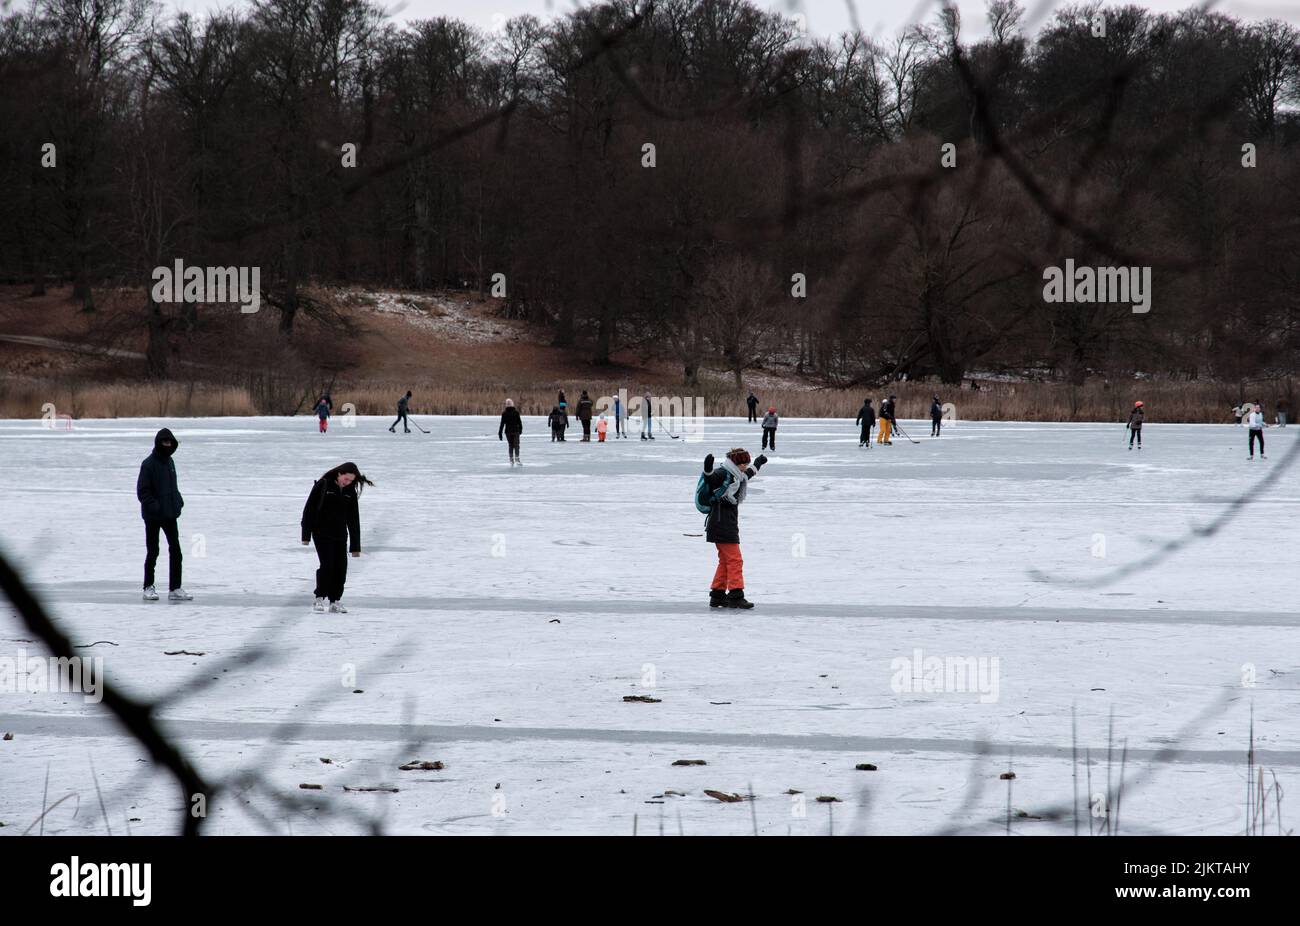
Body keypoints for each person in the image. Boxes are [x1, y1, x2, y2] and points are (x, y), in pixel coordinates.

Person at [700, 448, 768, 609]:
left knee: (725, 561)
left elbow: (748, 474)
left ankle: (717, 595)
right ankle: (736, 595)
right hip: (721, 524)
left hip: (725, 524)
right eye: (743, 463)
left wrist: (758, 463)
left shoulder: (738, 476)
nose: (745, 466)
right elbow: (710, 478)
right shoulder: (723, 473)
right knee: (735, 560)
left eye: (747, 463)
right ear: (735, 463)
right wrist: (707, 467)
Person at [301, 462, 373, 613]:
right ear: (339, 474)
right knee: (327, 565)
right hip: (321, 533)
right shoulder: (324, 485)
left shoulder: (350, 491)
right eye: (346, 479)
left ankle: (335, 601)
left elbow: (354, 519)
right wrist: (306, 535)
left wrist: (355, 547)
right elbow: (309, 509)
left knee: (341, 568)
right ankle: (319, 598)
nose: (347, 483)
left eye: (351, 481)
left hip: (340, 535)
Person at [137, 428, 191, 602]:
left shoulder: (170, 462)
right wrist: (155, 507)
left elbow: (172, 487)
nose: (167, 445)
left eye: (170, 442)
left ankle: (175, 588)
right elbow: (143, 492)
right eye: (164, 442)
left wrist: (178, 501)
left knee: (176, 550)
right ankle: (148, 587)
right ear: (158, 443)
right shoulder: (148, 464)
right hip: (153, 516)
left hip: (170, 514)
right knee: (153, 551)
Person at [498, 398, 523, 466]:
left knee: (511, 445)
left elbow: (502, 424)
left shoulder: (504, 413)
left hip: (508, 431)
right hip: (515, 431)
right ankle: (517, 459)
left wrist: (500, 433)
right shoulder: (516, 412)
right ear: (512, 404)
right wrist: (521, 429)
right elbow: (519, 422)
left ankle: (511, 460)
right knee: (516, 445)